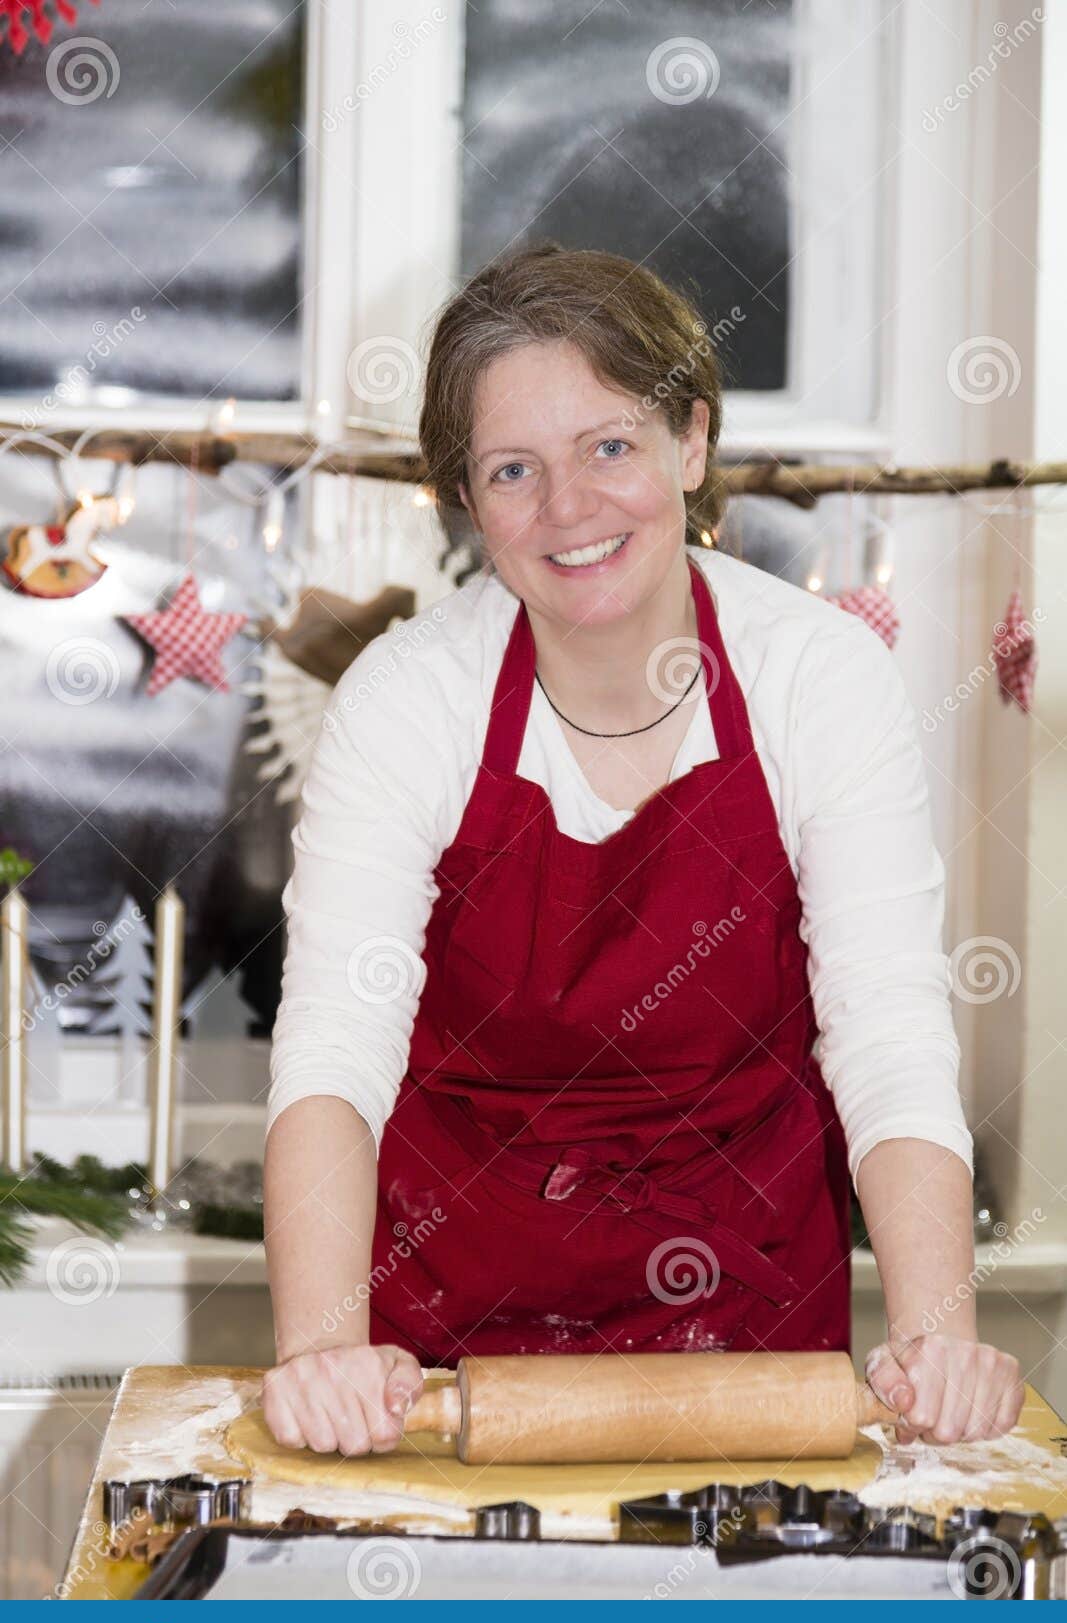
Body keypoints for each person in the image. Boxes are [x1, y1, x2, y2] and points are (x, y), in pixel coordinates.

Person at [261, 242, 1023, 1460]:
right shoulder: (407, 699)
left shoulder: (815, 676)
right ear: (467, 499)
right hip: (450, 1361)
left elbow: (883, 1026)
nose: (568, 508)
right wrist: (315, 1356)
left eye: (609, 445)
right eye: (514, 469)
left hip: (745, 1345)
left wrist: (937, 1336)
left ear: (693, 445)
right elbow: (333, 1056)